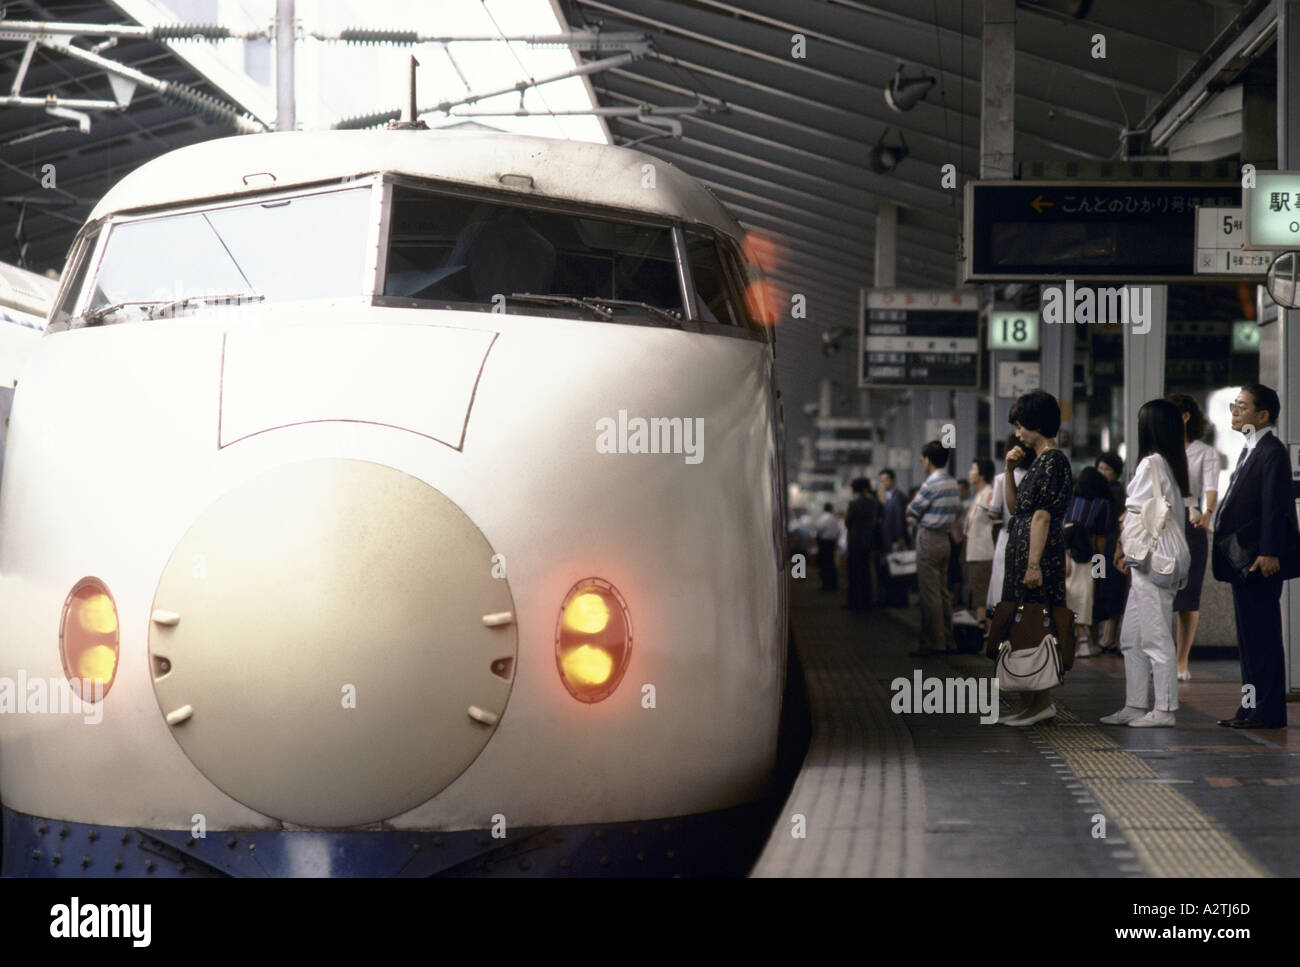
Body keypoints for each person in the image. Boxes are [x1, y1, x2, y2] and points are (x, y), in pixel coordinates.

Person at [1211, 384, 1300, 730]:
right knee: (1249, 641)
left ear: (1262, 416)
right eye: (1234, 405)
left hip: (1258, 561)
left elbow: (1274, 507)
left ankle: (1268, 711)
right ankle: (1250, 707)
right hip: (1241, 562)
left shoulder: (1271, 451)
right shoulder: (1251, 448)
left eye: (1242, 407)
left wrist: (1268, 551)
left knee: (1261, 638)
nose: (1235, 411)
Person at [1101, 399, 1190, 728]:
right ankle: (1136, 703)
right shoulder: (1168, 464)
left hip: (1152, 565)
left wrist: (1123, 549)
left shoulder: (1151, 464)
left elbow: (1135, 514)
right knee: (1131, 638)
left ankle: (1165, 709)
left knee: (1154, 637)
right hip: (1147, 566)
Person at [999, 391, 1072, 727]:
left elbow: (1041, 516)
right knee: (1021, 625)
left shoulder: (1053, 461)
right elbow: (1016, 509)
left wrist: (1033, 565)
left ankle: (1042, 702)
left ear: (1036, 425)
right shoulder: (1038, 462)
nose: (1018, 433)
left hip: (1038, 556)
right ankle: (1028, 701)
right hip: (1027, 550)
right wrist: (1009, 469)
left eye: (1021, 425)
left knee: (1036, 625)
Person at [1167, 393, 1219, 682]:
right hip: (1163, 523)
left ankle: (1181, 660)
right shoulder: (1159, 451)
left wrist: (1208, 512)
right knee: (1161, 595)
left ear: (1186, 417)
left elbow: (1210, 487)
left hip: (1190, 522)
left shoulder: (1204, 452)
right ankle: (1162, 658)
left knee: (1188, 597)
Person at [906, 441, 960, 656]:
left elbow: (911, 510)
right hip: (945, 540)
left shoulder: (931, 484)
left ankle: (935, 644)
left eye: (922, 457)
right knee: (942, 592)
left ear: (928, 460)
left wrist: (917, 516)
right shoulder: (952, 483)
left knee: (929, 594)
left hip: (928, 539)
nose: (921, 460)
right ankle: (949, 640)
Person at [1063, 466, 1113, 657]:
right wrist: (1100, 569)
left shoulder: (1069, 501)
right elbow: (1101, 538)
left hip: (1067, 555)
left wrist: (1064, 556)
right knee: (1087, 597)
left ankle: (1075, 640)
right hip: (1089, 556)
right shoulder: (1102, 504)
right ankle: (1085, 641)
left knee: (1071, 597)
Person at [985, 435, 1035, 619]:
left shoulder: (1001, 478)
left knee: (1002, 580)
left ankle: (1000, 630)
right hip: (1032, 535)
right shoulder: (1035, 476)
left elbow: (993, 511)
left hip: (1008, 534)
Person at [1093, 451, 1128, 652]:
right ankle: (1104, 636)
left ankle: (1107, 636)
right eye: (1100, 468)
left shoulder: (1114, 493)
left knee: (1108, 587)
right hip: (1102, 551)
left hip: (1109, 548)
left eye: (1107, 469)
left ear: (1116, 473)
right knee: (1102, 587)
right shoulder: (1102, 492)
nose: (1103, 472)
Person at [964, 458, 996, 632]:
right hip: (974, 551)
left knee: (982, 591)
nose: (970, 472)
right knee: (977, 590)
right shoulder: (978, 494)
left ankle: (985, 628)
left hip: (984, 551)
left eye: (973, 469)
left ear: (981, 475)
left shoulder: (989, 494)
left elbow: (995, 517)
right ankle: (981, 626)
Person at [844, 478, 880, 611]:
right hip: (868, 540)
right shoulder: (873, 502)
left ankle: (854, 602)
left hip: (855, 540)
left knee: (854, 572)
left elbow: (848, 521)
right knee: (866, 572)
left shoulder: (854, 502)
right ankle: (867, 601)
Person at [878, 468, 909, 607]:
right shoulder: (888, 496)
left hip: (896, 540)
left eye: (886, 480)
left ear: (893, 480)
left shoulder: (898, 496)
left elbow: (899, 518)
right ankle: (893, 599)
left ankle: (900, 600)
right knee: (892, 570)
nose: (884, 483)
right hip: (889, 540)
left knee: (899, 570)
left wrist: (900, 537)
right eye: (882, 480)